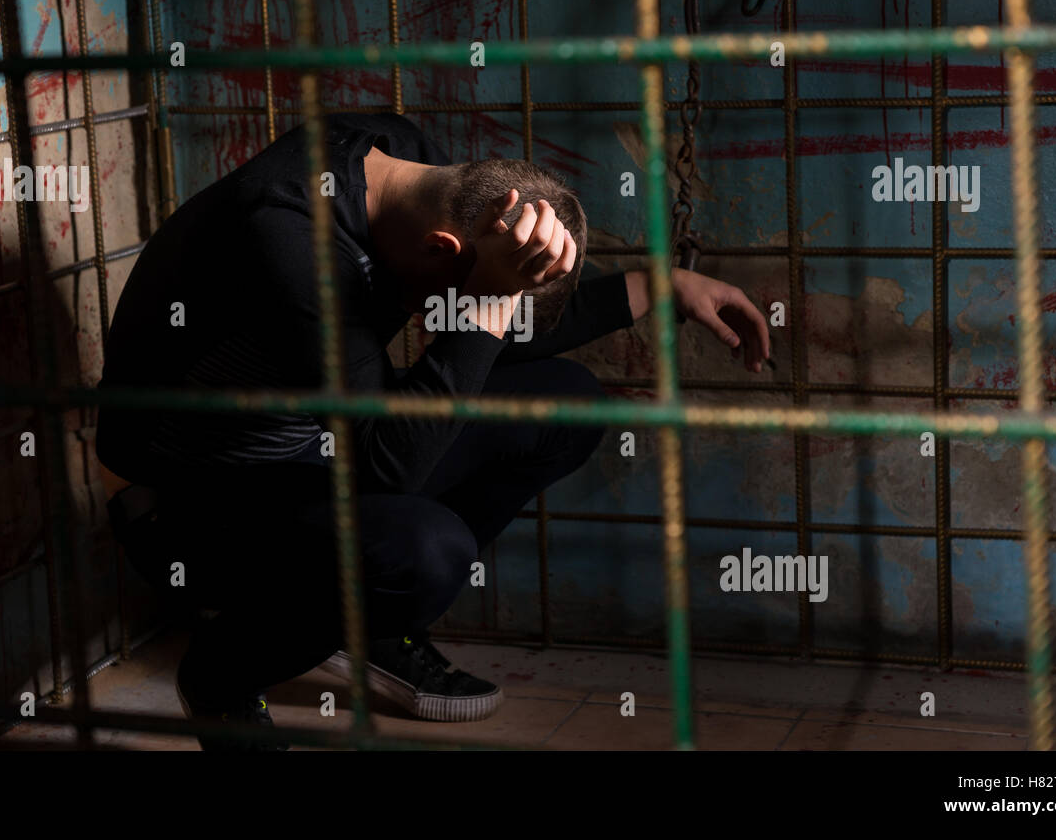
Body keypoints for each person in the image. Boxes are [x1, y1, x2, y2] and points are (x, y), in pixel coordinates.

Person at [95, 112, 770, 750]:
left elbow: (485, 339)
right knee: (424, 552)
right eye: (483, 294)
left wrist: (666, 284)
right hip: (194, 498)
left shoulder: (404, 163)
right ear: (445, 248)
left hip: (316, 442)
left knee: (566, 404)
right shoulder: (292, 246)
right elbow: (390, 469)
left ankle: (362, 622)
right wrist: (483, 302)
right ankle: (224, 671)